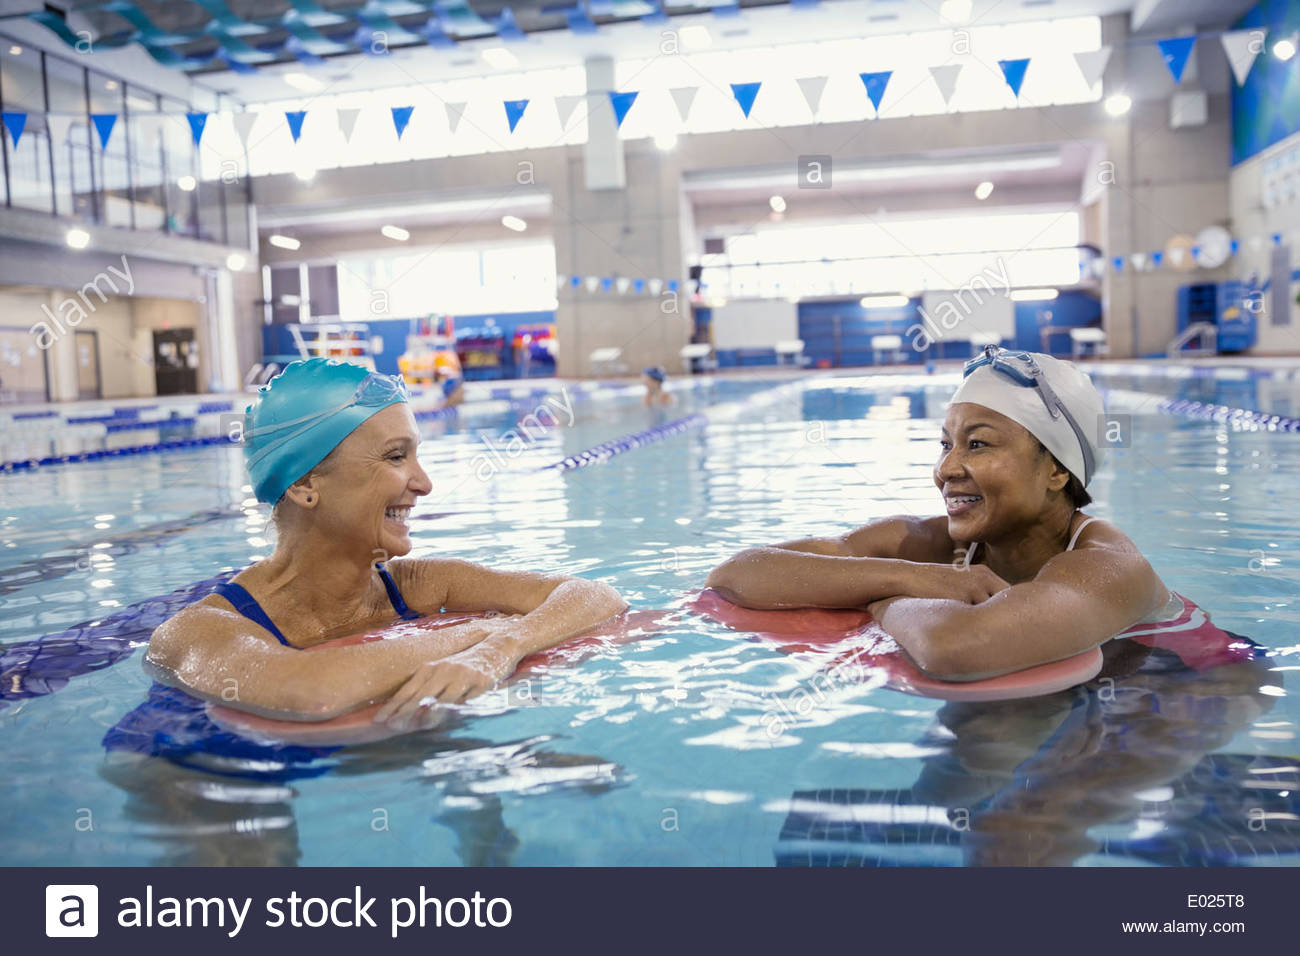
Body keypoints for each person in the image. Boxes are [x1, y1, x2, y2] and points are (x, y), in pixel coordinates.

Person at [144, 358, 626, 731]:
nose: (424, 483)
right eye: (396, 456)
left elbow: (598, 596)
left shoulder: (418, 584)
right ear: (305, 484)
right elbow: (315, 692)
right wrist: (478, 629)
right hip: (208, 781)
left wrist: (503, 644)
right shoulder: (198, 632)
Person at [706, 346, 1171, 681]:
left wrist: (874, 593)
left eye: (978, 444)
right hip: (1046, 696)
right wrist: (917, 577)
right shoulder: (934, 546)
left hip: (1169, 696)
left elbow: (955, 647)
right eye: (946, 444)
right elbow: (737, 573)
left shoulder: (1110, 566)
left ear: (1054, 469)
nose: (946, 469)